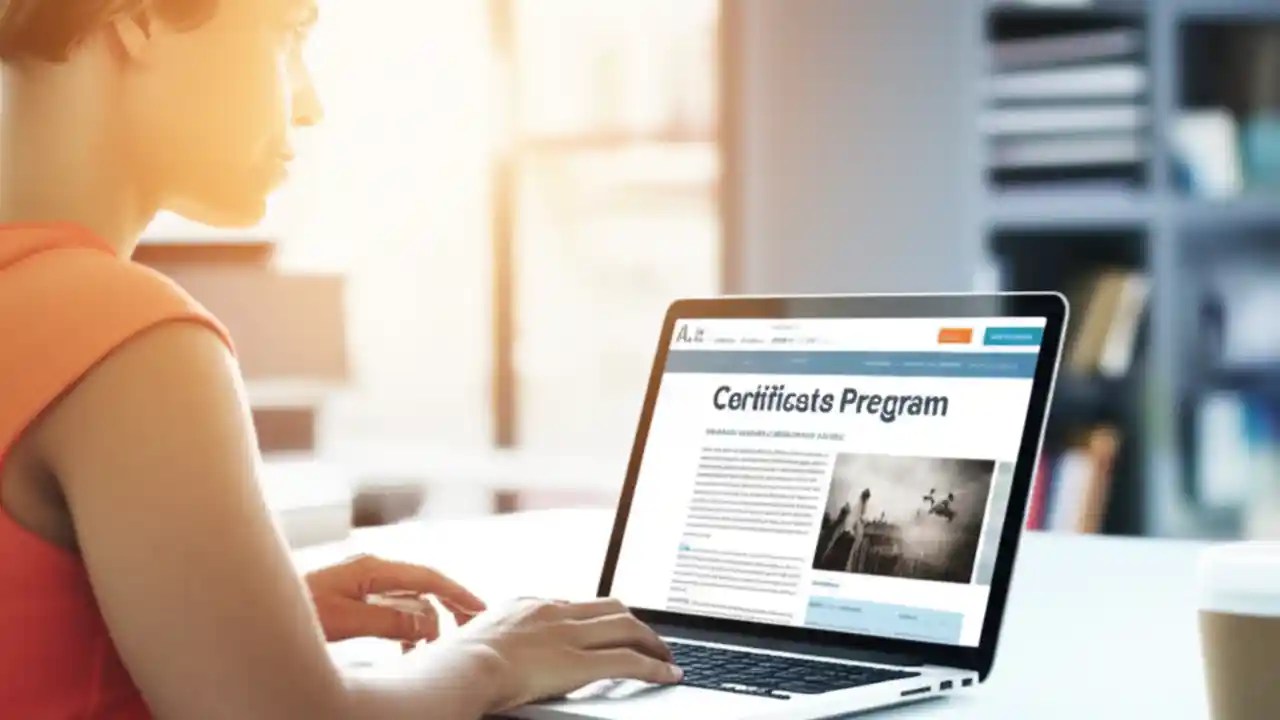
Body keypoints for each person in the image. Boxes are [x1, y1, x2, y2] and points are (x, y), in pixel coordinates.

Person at [0, 0, 681, 718]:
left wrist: (239, 625)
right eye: (289, 36)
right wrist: (488, 658)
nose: (309, 104)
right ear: (135, 16)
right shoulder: (124, 338)